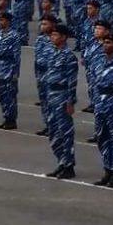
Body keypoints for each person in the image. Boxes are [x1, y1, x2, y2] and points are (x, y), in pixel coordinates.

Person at [92, 32, 113, 187]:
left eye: (109, 43)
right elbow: (94, 83)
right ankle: (107, 169)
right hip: (100, 104)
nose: (105, 45)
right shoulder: (99, 61)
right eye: (104, 42)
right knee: (102, 138)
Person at [44, 24, 78, 179]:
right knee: (53, 132)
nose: (53, 37)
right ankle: (61, 162)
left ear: (64, 37)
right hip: (51, 96)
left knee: (65, 133)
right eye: (52, 35)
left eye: (56, 35)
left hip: (62, 97)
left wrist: (70, 101)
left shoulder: (68, 56)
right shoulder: (51, 52)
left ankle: (69, 165)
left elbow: (72, 81)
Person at [0, 11, 21, 130]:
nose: (0, 22)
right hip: (1, 68)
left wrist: (15, 72)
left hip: (9, 67)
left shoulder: (14, 36)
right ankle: (6, 117)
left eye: (2, 20)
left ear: (8, 21)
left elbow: (16, 56)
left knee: (10, 96)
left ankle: (11, 119)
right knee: (2, 95)